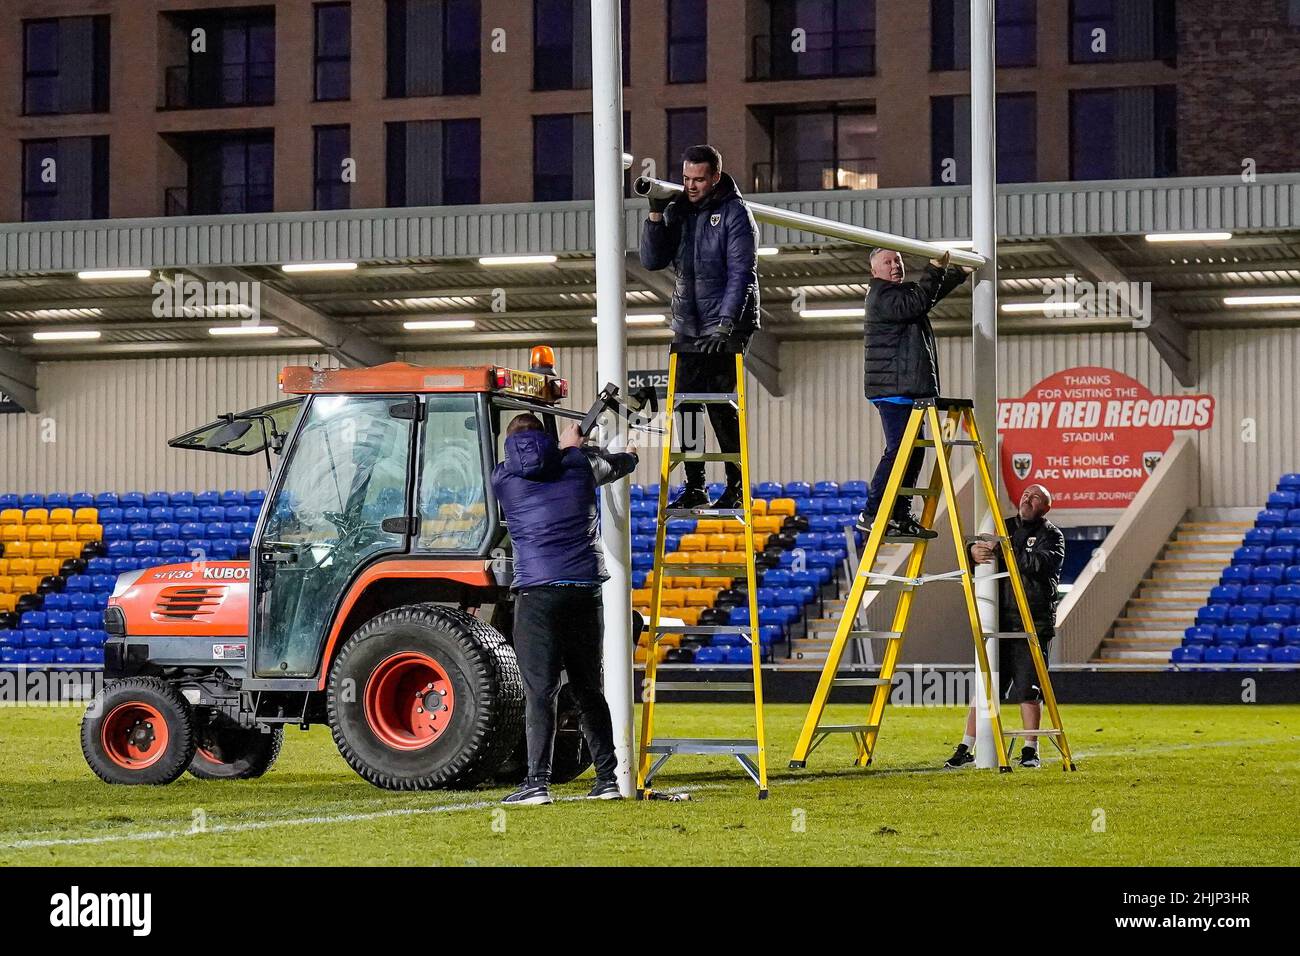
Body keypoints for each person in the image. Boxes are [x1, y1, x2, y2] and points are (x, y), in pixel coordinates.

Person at [491, 414, 638, 805]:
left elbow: (538, 461)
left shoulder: (502, 477)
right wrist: (588, 448)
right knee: (589, 688)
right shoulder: (580, 464)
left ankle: (537, 783)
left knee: (541, 691)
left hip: (537, 595)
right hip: (584, 591)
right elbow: (620, 463)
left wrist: (567, 447)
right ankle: (607, 779)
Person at [639, 144, 760, 510]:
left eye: (699, 179)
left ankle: (736, 486)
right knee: (685, 405)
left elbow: (742, 272)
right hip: (689, 323)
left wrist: (725, 325)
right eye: (686, 179)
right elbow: (651, 260)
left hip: (728, 323)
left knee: (721, 405)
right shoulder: (680, 212)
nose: (691, 186)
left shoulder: (735, 213)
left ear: (716, 177)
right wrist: (656, 217)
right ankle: (696, 485)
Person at [945, 484, 1066, 770]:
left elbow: (1040, 565)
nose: (1028, 498)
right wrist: (971, 552)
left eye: (1036, 497)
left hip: (1032, 624)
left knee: (1028, 690)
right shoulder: (1004, 527)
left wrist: (1006, 550)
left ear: (1045, 508)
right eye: (1026, 494)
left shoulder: (1053, 536)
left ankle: (1029, 749)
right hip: (998, 622)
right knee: (986, 688)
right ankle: (966, 746)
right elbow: (976, 554)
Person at [858, 247, 972, 539]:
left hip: (904, 388)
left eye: (897, 260)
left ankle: (899, 513)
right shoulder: (883, 297)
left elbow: (923, 299)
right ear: (874, 272)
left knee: (914, 451)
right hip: (892, 389)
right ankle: (872, 513)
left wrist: (957, 274)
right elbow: (919, 301)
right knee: (899, 451)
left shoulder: (899, 295)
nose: (895, 265)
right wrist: (936, 268)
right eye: (887, 262)